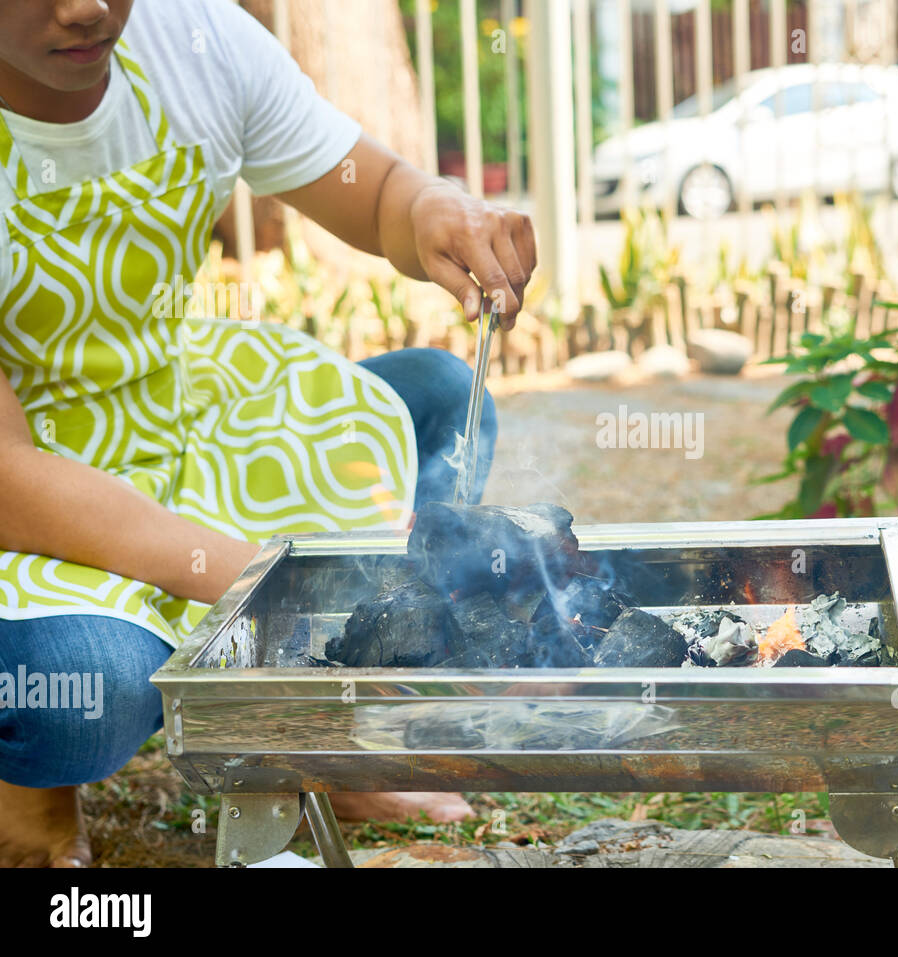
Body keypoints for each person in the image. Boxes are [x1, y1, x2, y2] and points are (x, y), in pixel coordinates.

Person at [0, 0, 534, 867]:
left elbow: (381, 194)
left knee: (434, 401)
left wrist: (434, 209)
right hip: (28, 503)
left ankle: (321, 743)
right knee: (83, 691)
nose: (87, 7)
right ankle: (27, 796)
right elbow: (8, 478)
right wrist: (251, 577)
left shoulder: (194, 42)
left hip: (172, 424)